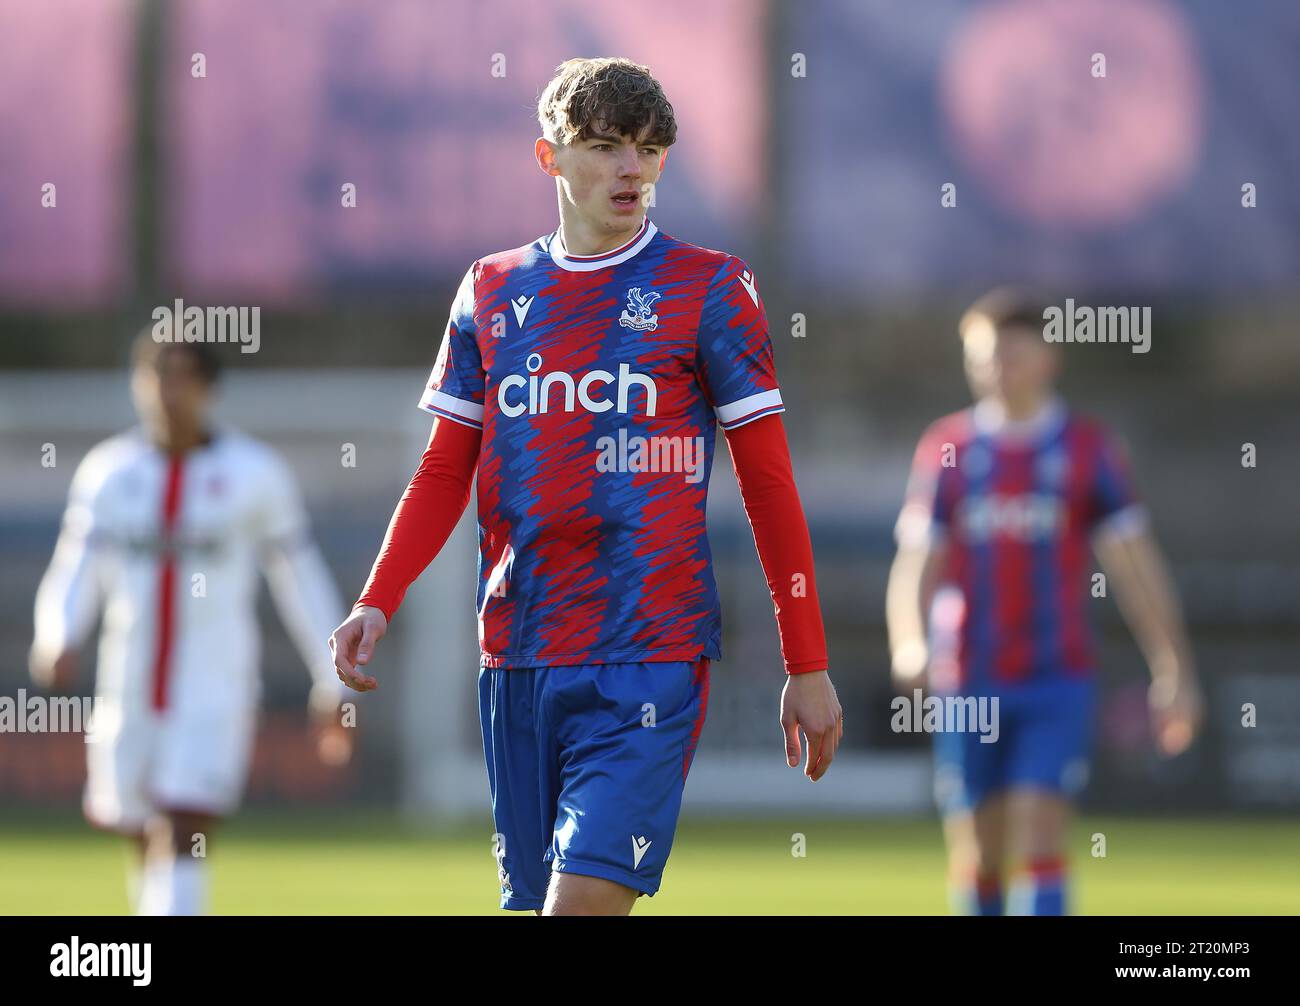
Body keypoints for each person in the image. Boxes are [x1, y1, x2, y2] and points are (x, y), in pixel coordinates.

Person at [329, 56, 841, 916]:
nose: (631, 170)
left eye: (649, 149)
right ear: (550, 159)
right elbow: (444, 465)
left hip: (647, 652)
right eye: (605, 147)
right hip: (520, 649)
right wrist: (378, 596)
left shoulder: (710, 287)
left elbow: (769, 482)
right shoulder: (492, 288)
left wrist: (808, 661)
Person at [886, 288, 1204, 915]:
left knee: (1039, 829)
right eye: (980, 356)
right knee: (978, 848)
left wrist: (1174, 668)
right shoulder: (947, 448)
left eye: (1008, 352)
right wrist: (909, 641)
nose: (992, 368)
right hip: (968, 679)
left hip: (1056, 677)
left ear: (1047, 357)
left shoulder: (1088, 450)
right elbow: (915, 563)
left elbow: (1135, 567)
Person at [30, 335, 351, 915]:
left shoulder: (254, 474)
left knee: (183, 822)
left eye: (183, 377)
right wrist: (58, 634)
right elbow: (76, 565)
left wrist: (332, 677)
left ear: (209, 389)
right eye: (157, 376)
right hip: (127, 683)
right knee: (138, 828)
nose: (168, 392)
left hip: (214, 684)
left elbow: (299, 579)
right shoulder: (109, 472)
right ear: (137, 384)